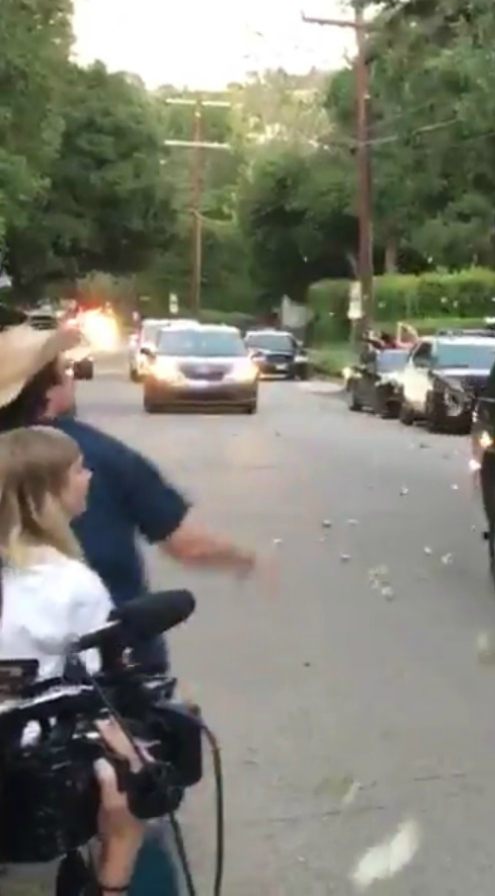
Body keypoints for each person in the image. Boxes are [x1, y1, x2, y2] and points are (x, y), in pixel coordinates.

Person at [0, 324, 264, 895]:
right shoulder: (85, 457)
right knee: (131, 816)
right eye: (63, 372)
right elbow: (185, 540)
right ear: (49, 393)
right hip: (90, 713)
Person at [0, 426, 147, 893]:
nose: (89, 477)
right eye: (78, 469)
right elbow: (103, 686)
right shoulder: (68, 583)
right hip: (32, 775)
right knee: (132, 795)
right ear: (50, 490)